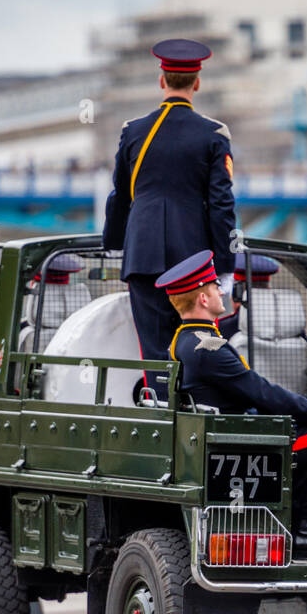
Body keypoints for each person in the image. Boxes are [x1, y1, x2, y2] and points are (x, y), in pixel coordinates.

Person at [158, 251, 307, 559]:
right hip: (246, 445)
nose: (222, 290)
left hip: (236, 436)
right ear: (203, 299)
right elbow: (261, 392)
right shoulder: (208, 347)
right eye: (214, 287)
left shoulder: (190, 339)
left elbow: (254, 392)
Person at [102, 38, 236, 400]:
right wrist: (225, 266)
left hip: (143, 256)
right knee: (198, 345)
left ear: (162, 80)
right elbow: (222, 204)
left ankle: (160, 415)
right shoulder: (213, 134)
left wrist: (116, 245)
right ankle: (199, 418)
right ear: (197, 82)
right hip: (191, 262)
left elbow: (120, 195)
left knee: (155, 350)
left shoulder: (133, 131)